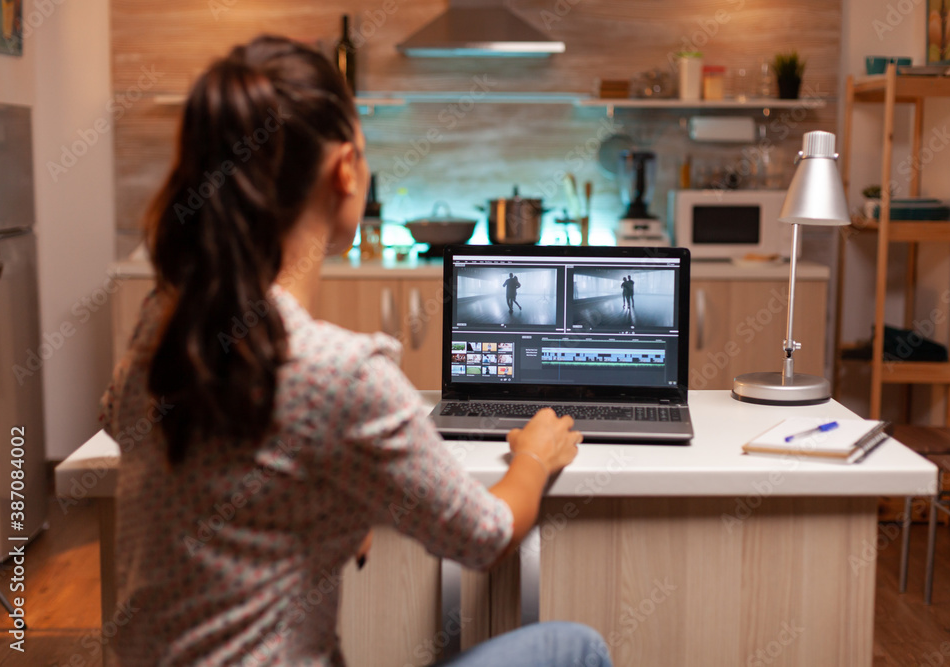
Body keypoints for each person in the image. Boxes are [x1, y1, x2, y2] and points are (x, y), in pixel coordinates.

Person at [98, 35, 611, 667]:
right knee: (576, 648)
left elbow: (123, 417)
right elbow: (486, 536)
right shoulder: (339, 375)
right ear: (345, 170)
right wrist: (533, 456)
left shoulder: (159, 329)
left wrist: (318, 495)